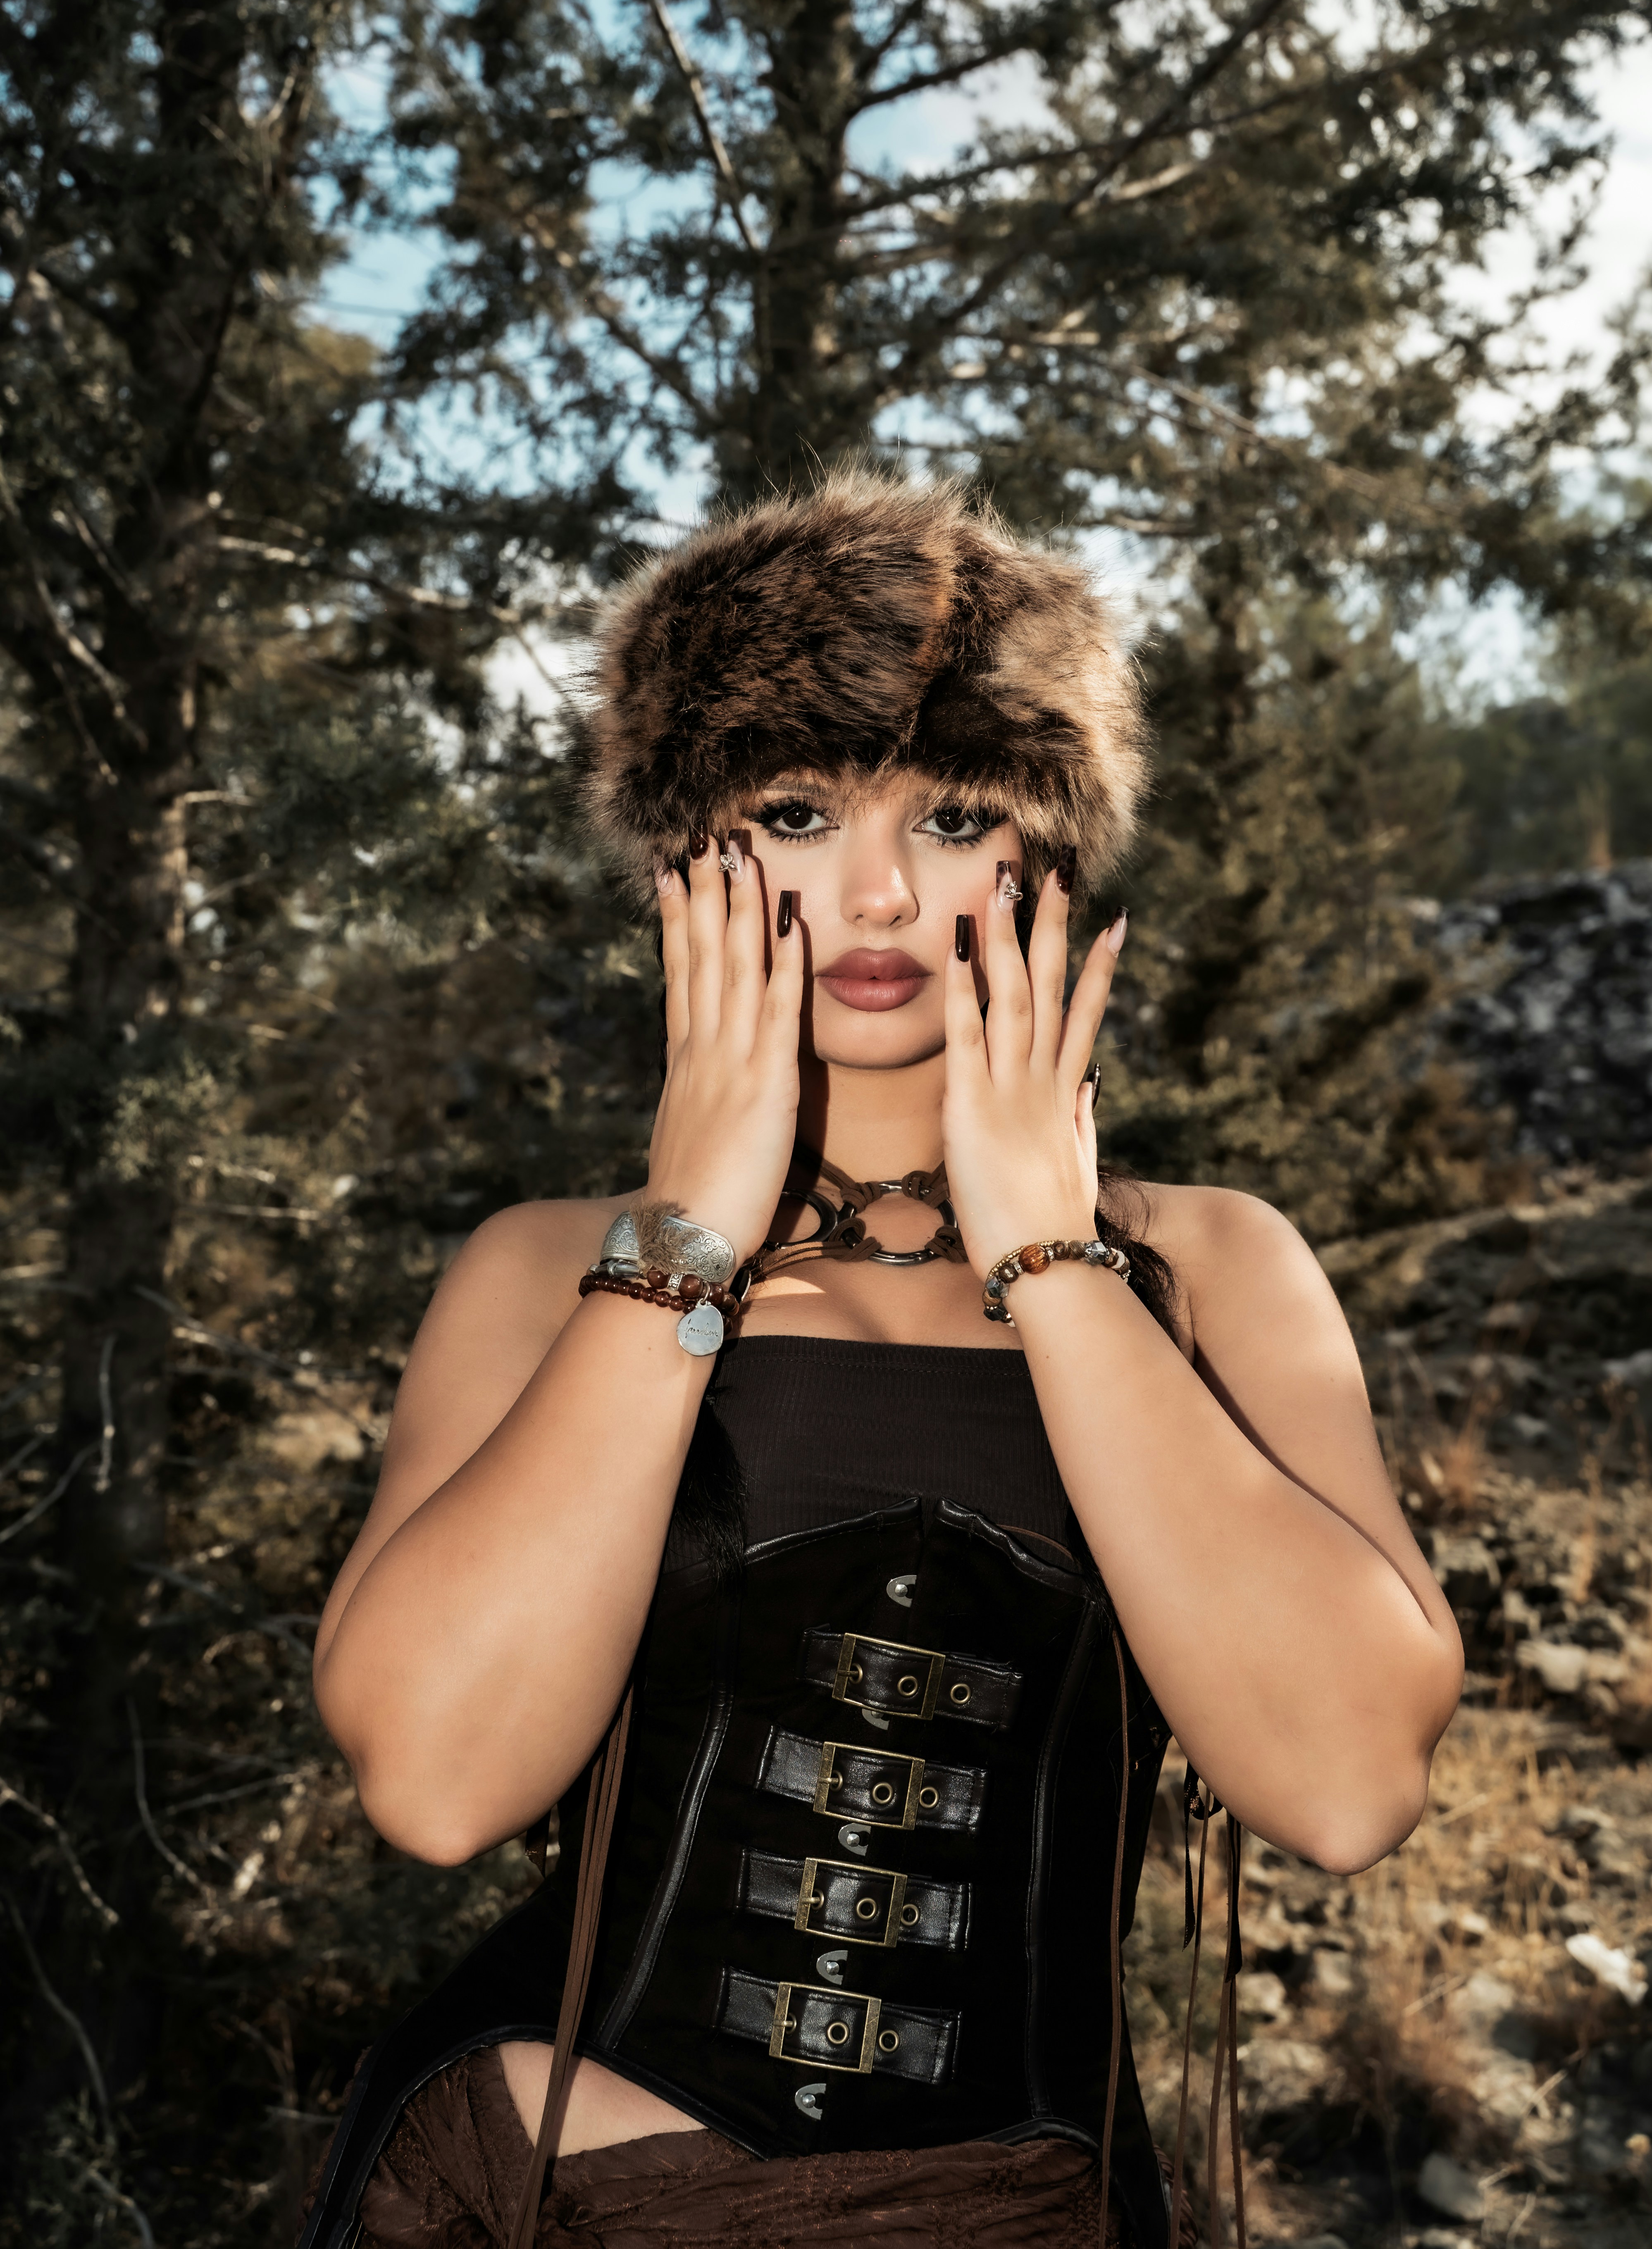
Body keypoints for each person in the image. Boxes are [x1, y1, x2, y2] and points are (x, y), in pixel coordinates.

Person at [299, 471, 1463, 2249]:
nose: (869, 891)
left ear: (1045, 851)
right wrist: (685, 1224)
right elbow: (439, 1783)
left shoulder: (1214, 1267)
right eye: (794, 805)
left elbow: (1346, 1782)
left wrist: (1052, 1253)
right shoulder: (547, 1270)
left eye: (950, 815)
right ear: (693, 845)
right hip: (537, 2184)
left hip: (1021, 2196)